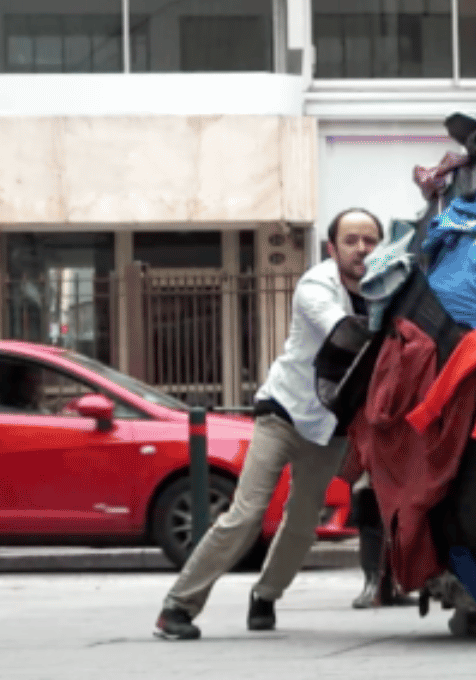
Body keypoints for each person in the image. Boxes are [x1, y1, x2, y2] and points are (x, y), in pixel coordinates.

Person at [154, 209, 385, 640]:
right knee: (246, 514)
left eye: (370, 241)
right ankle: (177, 608)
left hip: (331, 426)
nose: (361, 249)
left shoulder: (385, 288)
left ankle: (266, 596)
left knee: (301, 522)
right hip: (283, 412)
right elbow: (345, 334)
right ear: (333, 248)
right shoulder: (317, 285)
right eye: (351, 240)